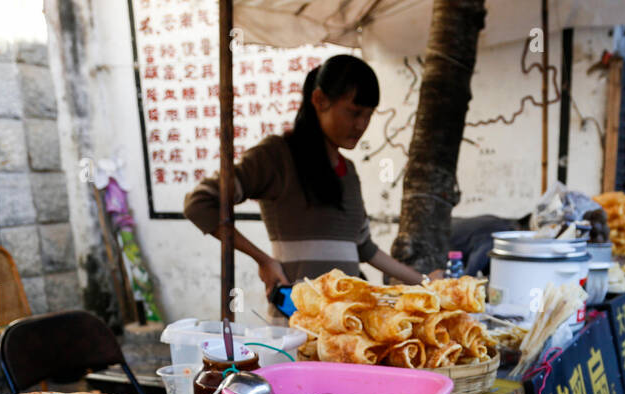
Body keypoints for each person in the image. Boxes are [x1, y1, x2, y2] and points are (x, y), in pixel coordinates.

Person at [184, 55, 436, 322]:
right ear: (319, 100)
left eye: (368, 115)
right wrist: (263, 260)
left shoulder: (348, 172)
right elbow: (199, 204)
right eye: (353, 112)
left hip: (348, 324)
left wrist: (426, 283)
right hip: (297, 325)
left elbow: (363, 248)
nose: (361, 125)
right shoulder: (276, 156)